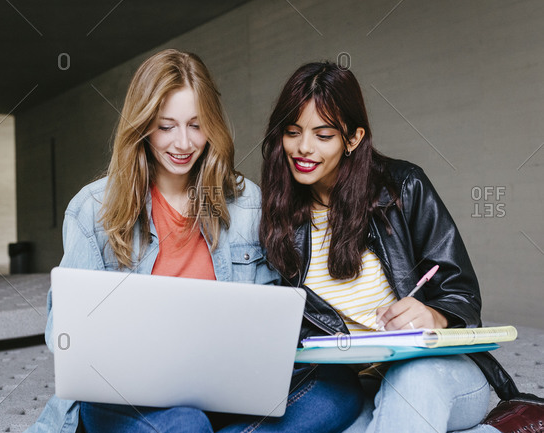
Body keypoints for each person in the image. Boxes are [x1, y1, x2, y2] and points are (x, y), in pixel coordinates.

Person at [27, 49, 363, 433]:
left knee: (340, 387)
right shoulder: (93, 208)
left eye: (196, 125)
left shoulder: (248, 203)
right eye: (166, 126)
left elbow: (269, 315)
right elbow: (63, 333)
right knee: (186, 424)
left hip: (224, 389)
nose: (183, 143)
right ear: (142, 126)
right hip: (124, 397)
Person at [259, 60, 544, 433]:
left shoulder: (403, 187)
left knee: (409, 386)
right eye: (293, 132)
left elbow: (462, 293)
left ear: (354, 138)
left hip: (436, 371)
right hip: (352, 385)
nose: (304, 148)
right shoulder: (276, 214)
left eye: (323, 135)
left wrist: (434, 316)